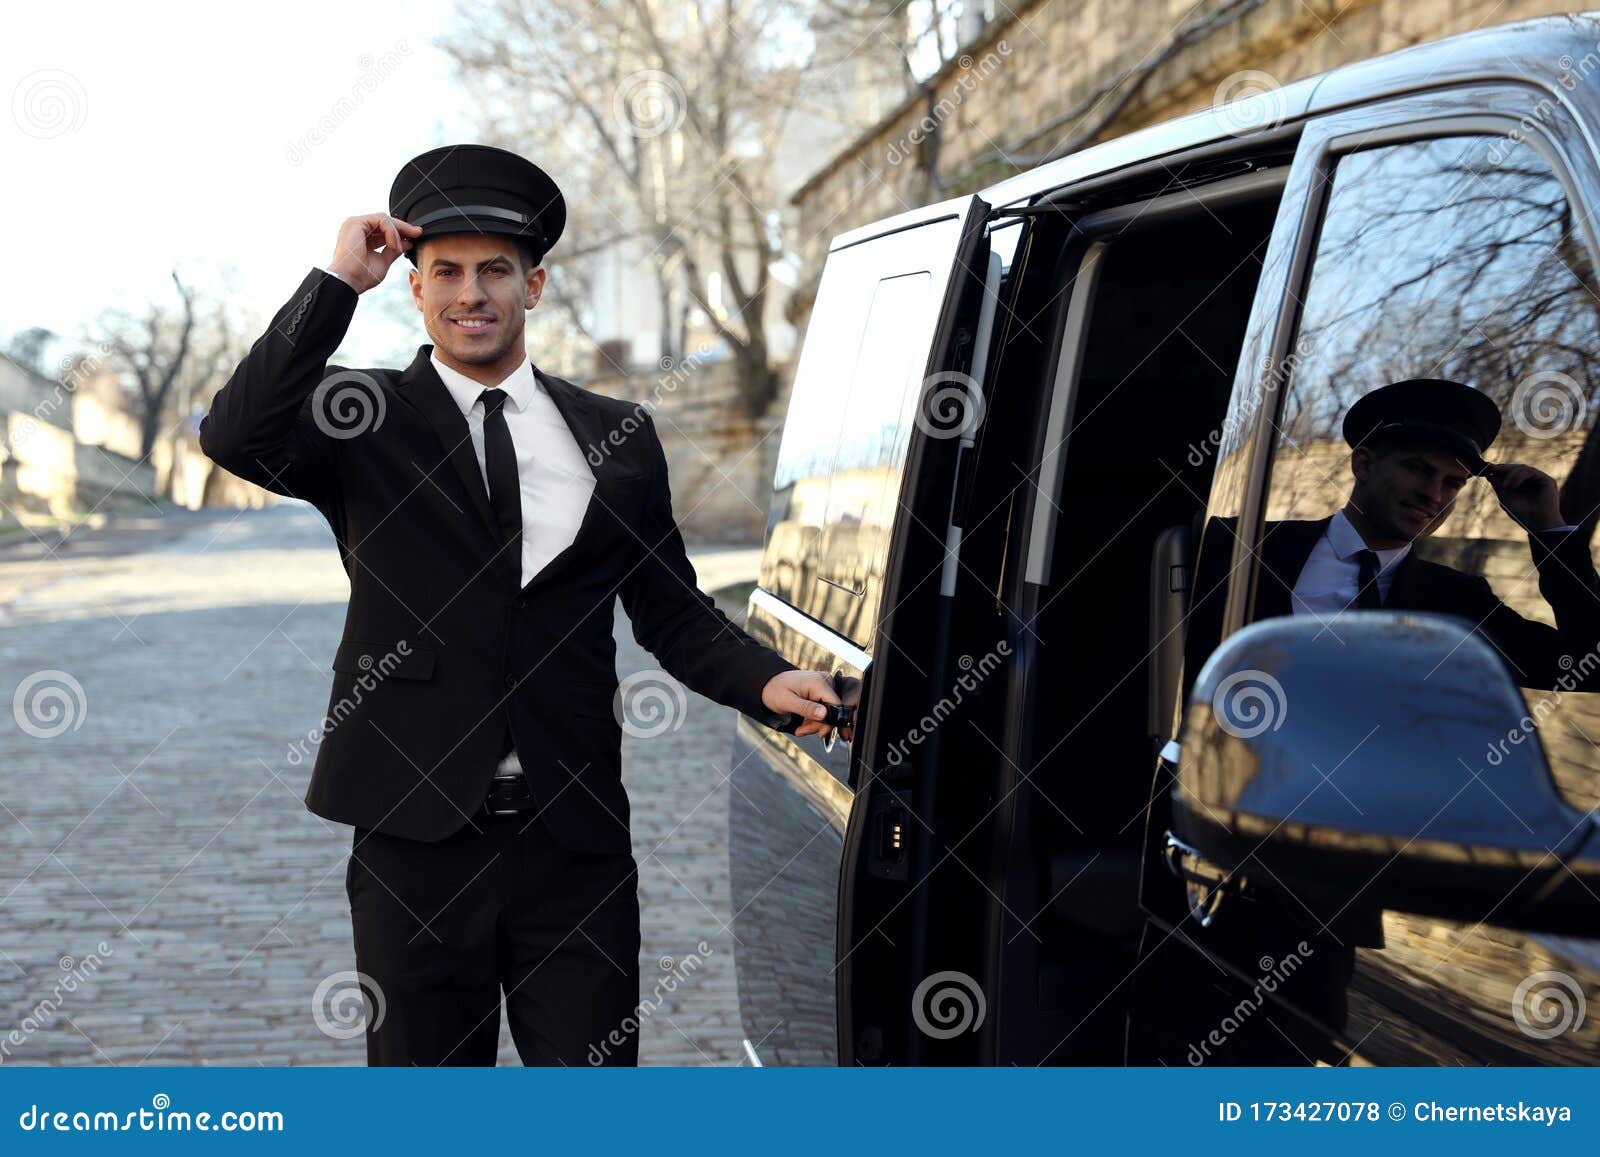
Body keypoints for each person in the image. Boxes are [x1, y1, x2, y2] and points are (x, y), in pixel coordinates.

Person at [199, 144, 842, 1066]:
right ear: (415, 289)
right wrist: (338, 281)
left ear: (533, 285)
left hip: (571, 845)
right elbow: (235, 430)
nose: (471, 293)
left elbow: (670, 611)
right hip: (414, 841)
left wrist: (770, 681)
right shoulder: (362, 416)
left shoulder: (616, 436)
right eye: (446, 271)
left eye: (494, 270)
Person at [1186, 377, 1600, 697]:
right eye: (1418, 469)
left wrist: (1549, 530)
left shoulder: (1460, 602)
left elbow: (1587, 667)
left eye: (1453, 482)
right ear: (1363, 465)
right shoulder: (1235, 547)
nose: (1433, 494)